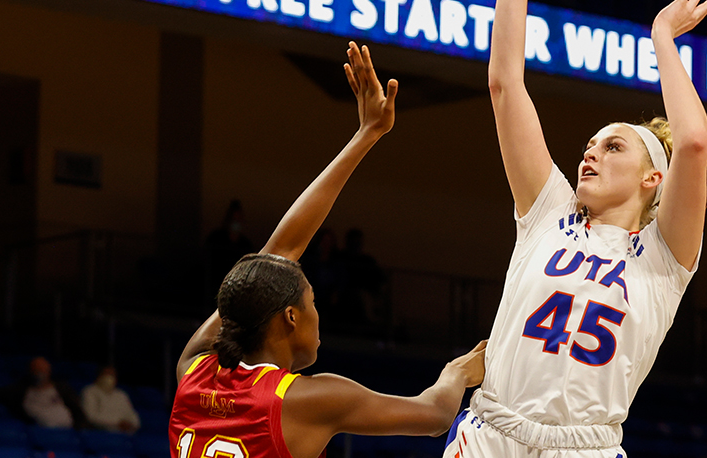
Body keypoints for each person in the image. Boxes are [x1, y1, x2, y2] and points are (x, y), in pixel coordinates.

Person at [443, 0, 707, 458]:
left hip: (585, 448)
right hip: (494, 433)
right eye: (589, 146)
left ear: (654, 178)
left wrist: (662, 37)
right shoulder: (549, 212)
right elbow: (504, 84)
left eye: (613, 147)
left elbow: (693, 142)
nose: (589, 155)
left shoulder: (664, 257)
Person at [170, 42, 486, 458]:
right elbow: (435, 415)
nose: (318, 314)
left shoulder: (194, 370)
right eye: (312, 302)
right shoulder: (309, 400)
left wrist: (367, 134)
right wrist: (456, 373)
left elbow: (280, 253)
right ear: (290, 316)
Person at [0, 357, 87, 429]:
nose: (41, 374)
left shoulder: (62, 389)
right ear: (31, 371)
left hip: (67, 433)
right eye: (38, 370)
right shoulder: (21, 390)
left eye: (44, 370)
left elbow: (77, 411)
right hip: (38, 434)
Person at [81, 366, 141, 433]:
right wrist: (117, 423)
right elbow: (90, 416)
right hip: (100, 432)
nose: (109, 377)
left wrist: (130, 424)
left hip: (123, 434)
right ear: (99, 376)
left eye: (112, 375)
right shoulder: (89, 391)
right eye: (106, 374)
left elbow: (133, 416)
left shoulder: (121, 395)